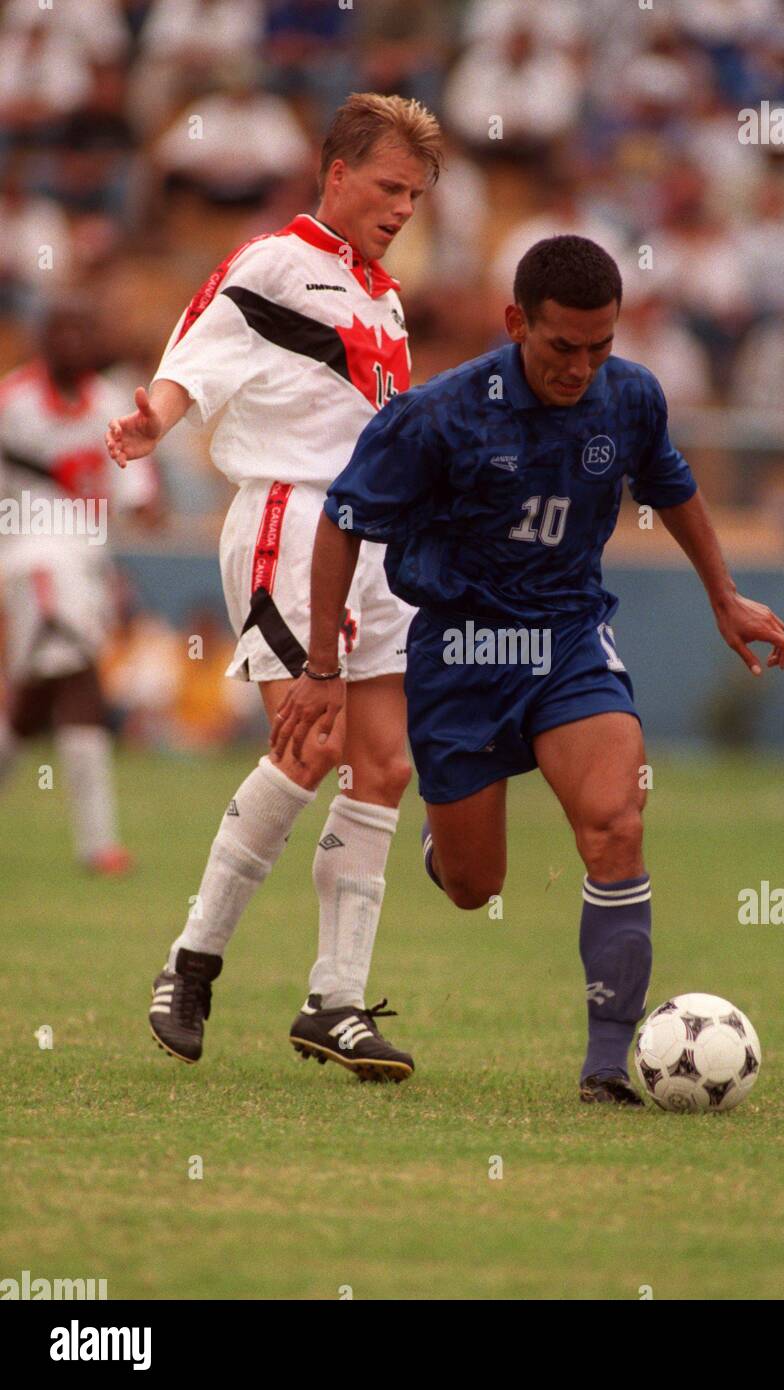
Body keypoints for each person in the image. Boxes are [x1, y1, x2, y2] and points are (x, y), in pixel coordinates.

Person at [273, 235, 784, 1105]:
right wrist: (322, 666)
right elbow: (343, 520)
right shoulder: (439, 415)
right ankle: (450, 835)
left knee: (615, 822)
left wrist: (725, 598)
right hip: (460, 652)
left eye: (601, 347)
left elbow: (670, 485)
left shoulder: (629, 399)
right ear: (517, 323)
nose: (582, 367)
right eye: (562, 347)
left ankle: (604, 1069)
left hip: (567, 638)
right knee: (476, 888)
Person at [105, 93, 443, 1079]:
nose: (400, 209)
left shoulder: (382, 294)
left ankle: (334, 1002)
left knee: (381, 767)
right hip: (290, 524)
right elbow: (196, 353)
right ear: (335, 172)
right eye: (387, 187)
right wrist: (154, 419)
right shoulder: (274, 263)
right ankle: (192, 957)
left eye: (414, 196)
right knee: (311, 738)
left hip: (376, 541)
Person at [0, 297, 159, 871]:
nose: (71, 341)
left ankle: (97, 842)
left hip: (89, 563)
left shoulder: (113, 401)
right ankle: (98, 845)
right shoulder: (13, 400)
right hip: (34, 559)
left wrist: (146, 505)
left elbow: (136, 487)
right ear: (42, 339)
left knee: (29, 707)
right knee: (80, 683)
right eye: (60, 329)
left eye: (82, 329)